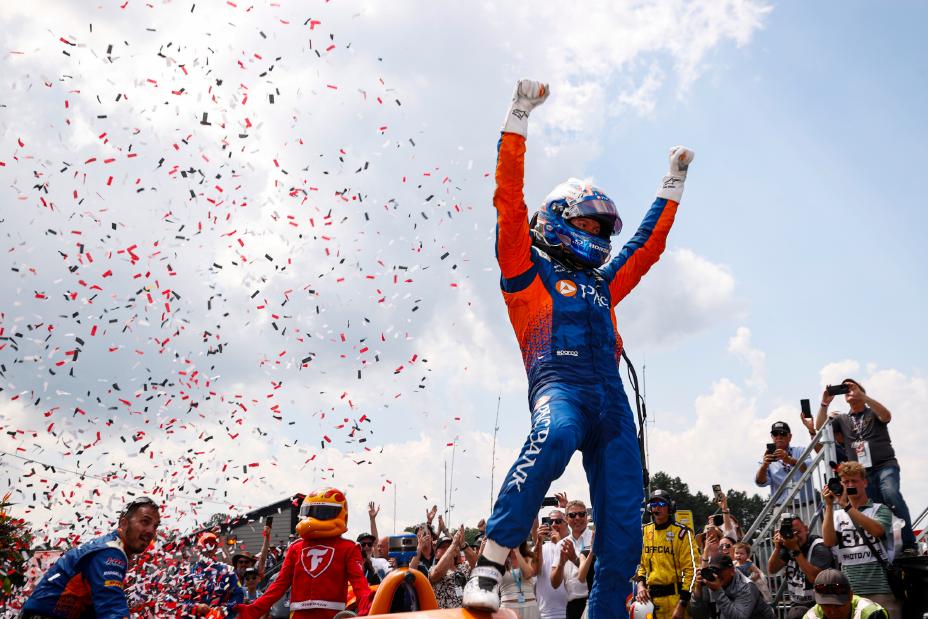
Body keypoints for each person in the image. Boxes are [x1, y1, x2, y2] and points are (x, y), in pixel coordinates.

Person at [463, 77, 695, 619]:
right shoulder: (526, 269)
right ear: (559, 220)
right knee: (556, 435)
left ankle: (607, 610)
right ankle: (490, 563)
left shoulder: (605, 282)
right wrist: (518, 114)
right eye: (585, 221)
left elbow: (646, 244)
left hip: (612, 404)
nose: (594, 231)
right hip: (559, 389)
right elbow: (508, 202)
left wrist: (674, 179)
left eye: (599, 225)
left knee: (623, 520)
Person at [232, 488, 372, 619]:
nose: (312, 517)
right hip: (298, 615)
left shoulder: (349, 547)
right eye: (309, 512)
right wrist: (254, 609)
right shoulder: (296, 547)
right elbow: (278, 585)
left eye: (319, 512)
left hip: (332, 615)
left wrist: (366, 609)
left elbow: (360, 584)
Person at [817, 379, 917, 554]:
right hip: (861, 473)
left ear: (861, 391)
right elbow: (819, 428)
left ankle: (909, 543)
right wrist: (824, 403)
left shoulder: (873, 412)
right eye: (845, 389)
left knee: (891, 495)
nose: (848, 391)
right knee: (873, 508)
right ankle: (886, 548)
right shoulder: (843, 418)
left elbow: (887, 416)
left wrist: (863, 396)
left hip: (885, 465)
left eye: (851, 387)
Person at [21, 496, 160, 619]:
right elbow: (111, 606)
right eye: (145, 522)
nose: (151, 531)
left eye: (155, 526)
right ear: (123, 523)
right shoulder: (111, 552)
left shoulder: (106, 546)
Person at [821, 462, 900, 618]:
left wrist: (847, 507)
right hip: (851, 591)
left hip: (880, 587)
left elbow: (877, 530)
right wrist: (829, 506)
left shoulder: (879, 509)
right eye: (845, 482)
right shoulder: (837, 515)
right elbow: (829, 542)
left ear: (865, 482)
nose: (850, 485)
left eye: (854, 481)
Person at [634, 490, 699, 619]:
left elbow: (692, 571)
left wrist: (682, 605)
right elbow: (641, 565)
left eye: (661, 504)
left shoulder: (683, 533)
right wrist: (641, 585)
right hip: (649, 602)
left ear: (670, 507)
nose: (657, 507)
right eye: (653, 504)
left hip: (676, 601)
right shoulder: (644, 531)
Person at [766, 513, 835, 618]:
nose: (794, 536)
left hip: (821, 605)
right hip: (797, 605)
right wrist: (777, 548)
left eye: (797, 532)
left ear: (806, 529)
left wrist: (795, 550)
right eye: (790, 532)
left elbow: (814, 578)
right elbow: (772, 569)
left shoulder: (819, 546)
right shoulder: (787, 545)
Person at [755, 421, 815, 505]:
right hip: (781, 509)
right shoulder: (766, 458)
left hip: (806, 507)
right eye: (775, 434)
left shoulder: (801, 451)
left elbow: (808, 469)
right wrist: (764, 466)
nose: (779, 437)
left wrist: (789, 460)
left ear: (790, 436)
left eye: (783, 433)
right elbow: (760, 482)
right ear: (772, 437)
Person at [698, 554, 772, 619]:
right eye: (712, 571)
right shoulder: (711, 581)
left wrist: (718, 591)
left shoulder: (746, 586)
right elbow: (698, 615)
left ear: (732, 571)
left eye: (718, 570)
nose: (716, 575)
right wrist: (697, 591)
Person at [801, 569, 888, 619]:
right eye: (826, 605)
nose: (832, 612)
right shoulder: (811, 617)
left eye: (838, 606)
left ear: (850, 596)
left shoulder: (872, 614)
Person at [534, 509, 570, 619]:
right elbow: (535, 570)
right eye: (550, 521)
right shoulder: (540, 548)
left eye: (558, 521)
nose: (554, 525)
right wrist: (538, 543)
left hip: (572, 611)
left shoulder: (572, 545)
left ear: (566, 523)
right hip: (545, 612)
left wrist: (559, 543)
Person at [429, 527, 476, 608]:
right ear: (436, 554)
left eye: (449, 546)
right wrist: (453, 544)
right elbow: (437, 573)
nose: (447, 549)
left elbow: (474, 561)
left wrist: (463, 544)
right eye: (443, 547)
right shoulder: (433, 569)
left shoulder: (463, 567)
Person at [501, 541, 539, 619]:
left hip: (530, 606)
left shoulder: (529, 557)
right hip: (507, 608)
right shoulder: (500, 559)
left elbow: (528, 574)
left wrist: (517, 553)